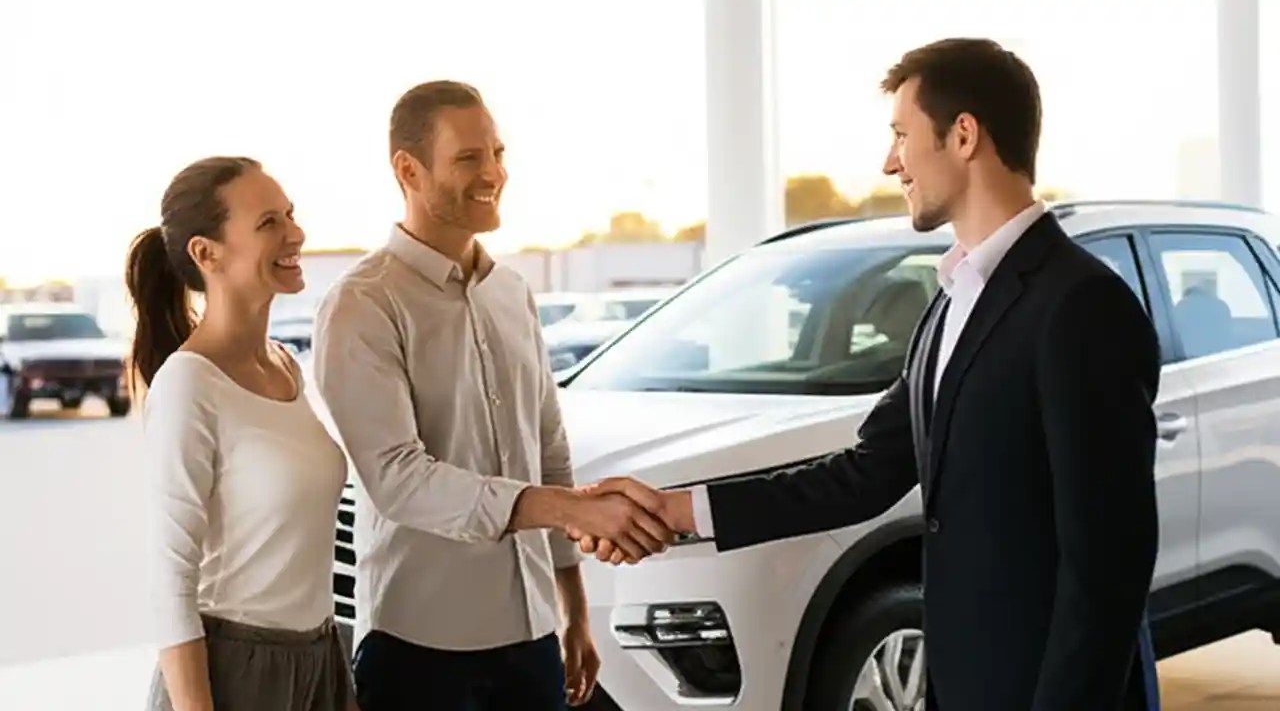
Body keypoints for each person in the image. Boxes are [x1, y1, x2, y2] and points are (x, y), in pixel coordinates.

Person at [580, 38, 1163, 711]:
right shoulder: (953, 300)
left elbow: (1108, 566)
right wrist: (675, 508)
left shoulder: (1080, 305)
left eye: (901, 135)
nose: (890, 162)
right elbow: (864, 474)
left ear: (964, 135)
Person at [311, 80, 672, 711]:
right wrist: (567, 508)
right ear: (408, 170)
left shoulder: (511, 293)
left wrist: (573, 608)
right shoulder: (362, 304)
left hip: (532, 636)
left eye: (498, 153)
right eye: (469, 158)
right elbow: (397, 478)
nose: (494, 173)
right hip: (418, 646)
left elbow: (549, 449)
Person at [128, 156, 355, 710]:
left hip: (319, 657)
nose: (294, 233)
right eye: (267, 223)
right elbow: (171, 583)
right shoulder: (187, 383)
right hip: (233, 674)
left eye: (290, 215)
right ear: (206, 254)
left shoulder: (286, 366)